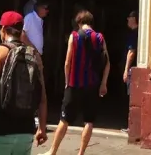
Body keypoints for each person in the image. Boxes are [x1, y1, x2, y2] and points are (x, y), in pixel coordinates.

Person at [0, 11, 48, 155]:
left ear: (3, 29)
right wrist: (42, 128)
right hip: (26, 131)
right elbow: (42, 98)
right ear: (21, 31)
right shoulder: (35, 56)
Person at [44, 10, 109, 155]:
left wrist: (67, 81)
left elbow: (68, 62)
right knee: (89, 121)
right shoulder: (99, 37)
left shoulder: (74, 36)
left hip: (75, 83)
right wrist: (103, 83)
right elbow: (107, 63)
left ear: (79, 22)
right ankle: (81, 153)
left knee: (64, 119)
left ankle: (52, 151)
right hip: (93, 85)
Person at [120, 11, 139, 134]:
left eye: (129, 17)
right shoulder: (136, 32)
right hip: (132, 69)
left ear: (134, 19)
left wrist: (126, 69)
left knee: (131, 96)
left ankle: (131, 127)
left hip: (132, 69)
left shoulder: (134, 33)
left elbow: (131, 52)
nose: (127, 19)